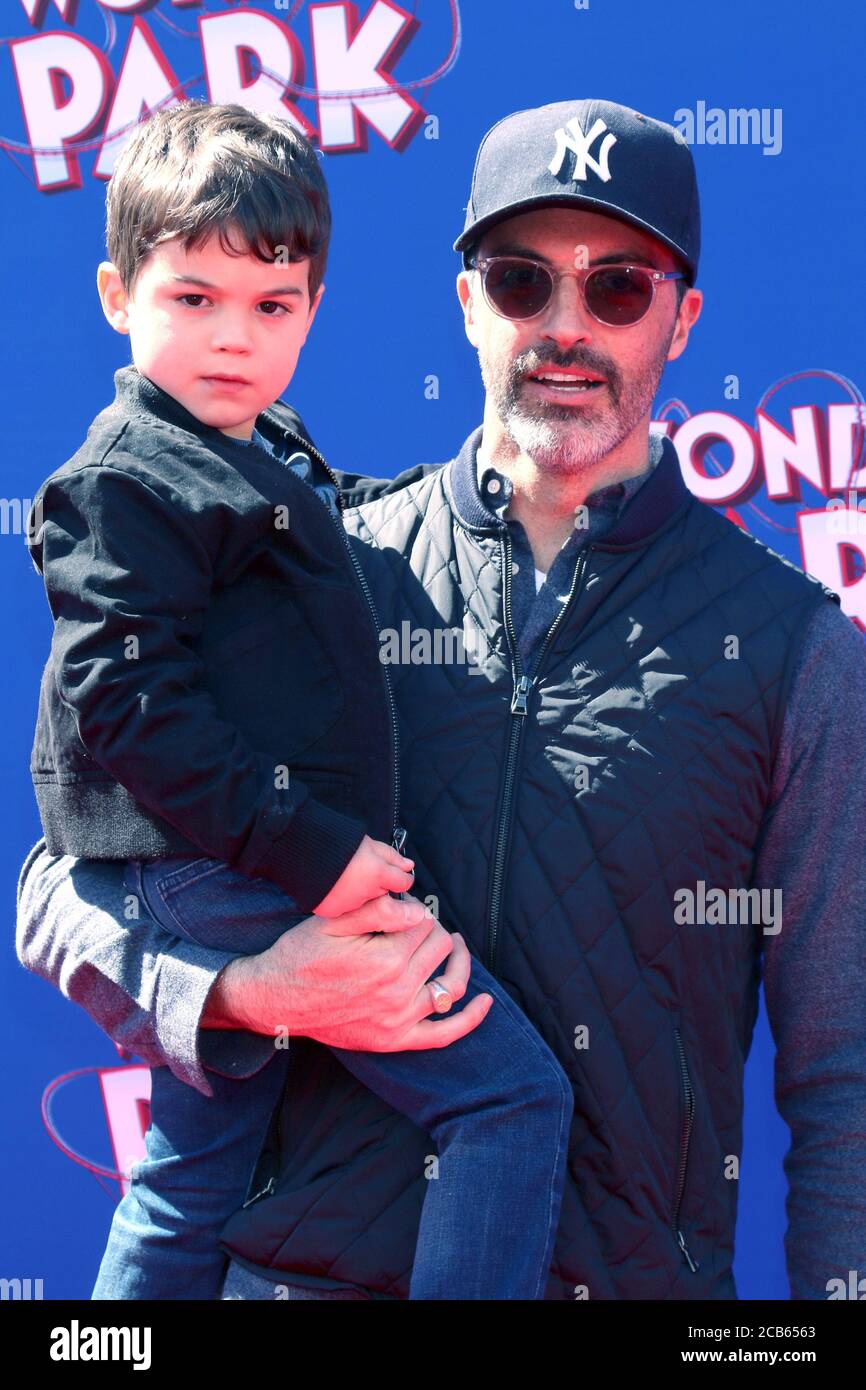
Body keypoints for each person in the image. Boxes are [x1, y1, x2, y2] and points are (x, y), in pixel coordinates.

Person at [18, 98, 866, 1302]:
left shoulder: (793, 649)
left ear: (680, 320)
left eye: (616, 287)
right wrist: (243, 989)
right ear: (466, 303)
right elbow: (57, 894)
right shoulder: (316, 564)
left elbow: (845, 1079)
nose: (564, 328)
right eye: (523, 282)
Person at [21, 98, 575, 1302]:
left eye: (271, 307)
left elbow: (340, 522)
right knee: (508, 1098)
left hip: (250, 866)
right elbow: (129, 709)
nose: (233, 339)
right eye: (192, 300)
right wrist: (315, 859)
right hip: (229, 874)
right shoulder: (114, 486)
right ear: (118, 295)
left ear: (313, 310)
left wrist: (473, 483)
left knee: (193, 1172)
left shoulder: (260, 438)